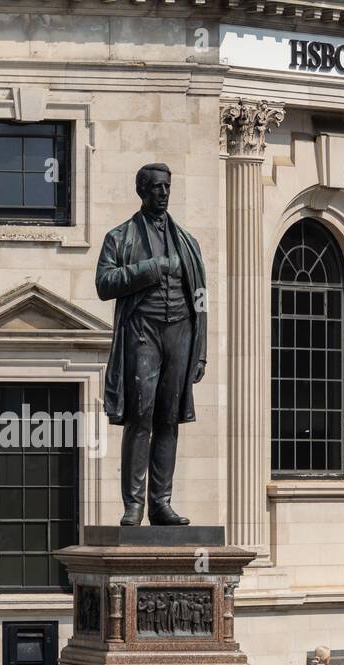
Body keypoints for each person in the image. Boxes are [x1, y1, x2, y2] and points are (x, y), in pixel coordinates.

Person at [96, 163, 207, 527]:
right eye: (157, 187)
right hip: (142, 331)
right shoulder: (120, 237)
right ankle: (134, 504)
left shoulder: (188, 242)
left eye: (167, 187)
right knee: (140, 417)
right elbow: (104, 283)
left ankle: (162, 503)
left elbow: (201, 299)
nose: (164, 193)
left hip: (180, 332)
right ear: (142, 190)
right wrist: (152, 268)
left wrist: (200, 351)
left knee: (168, 419)